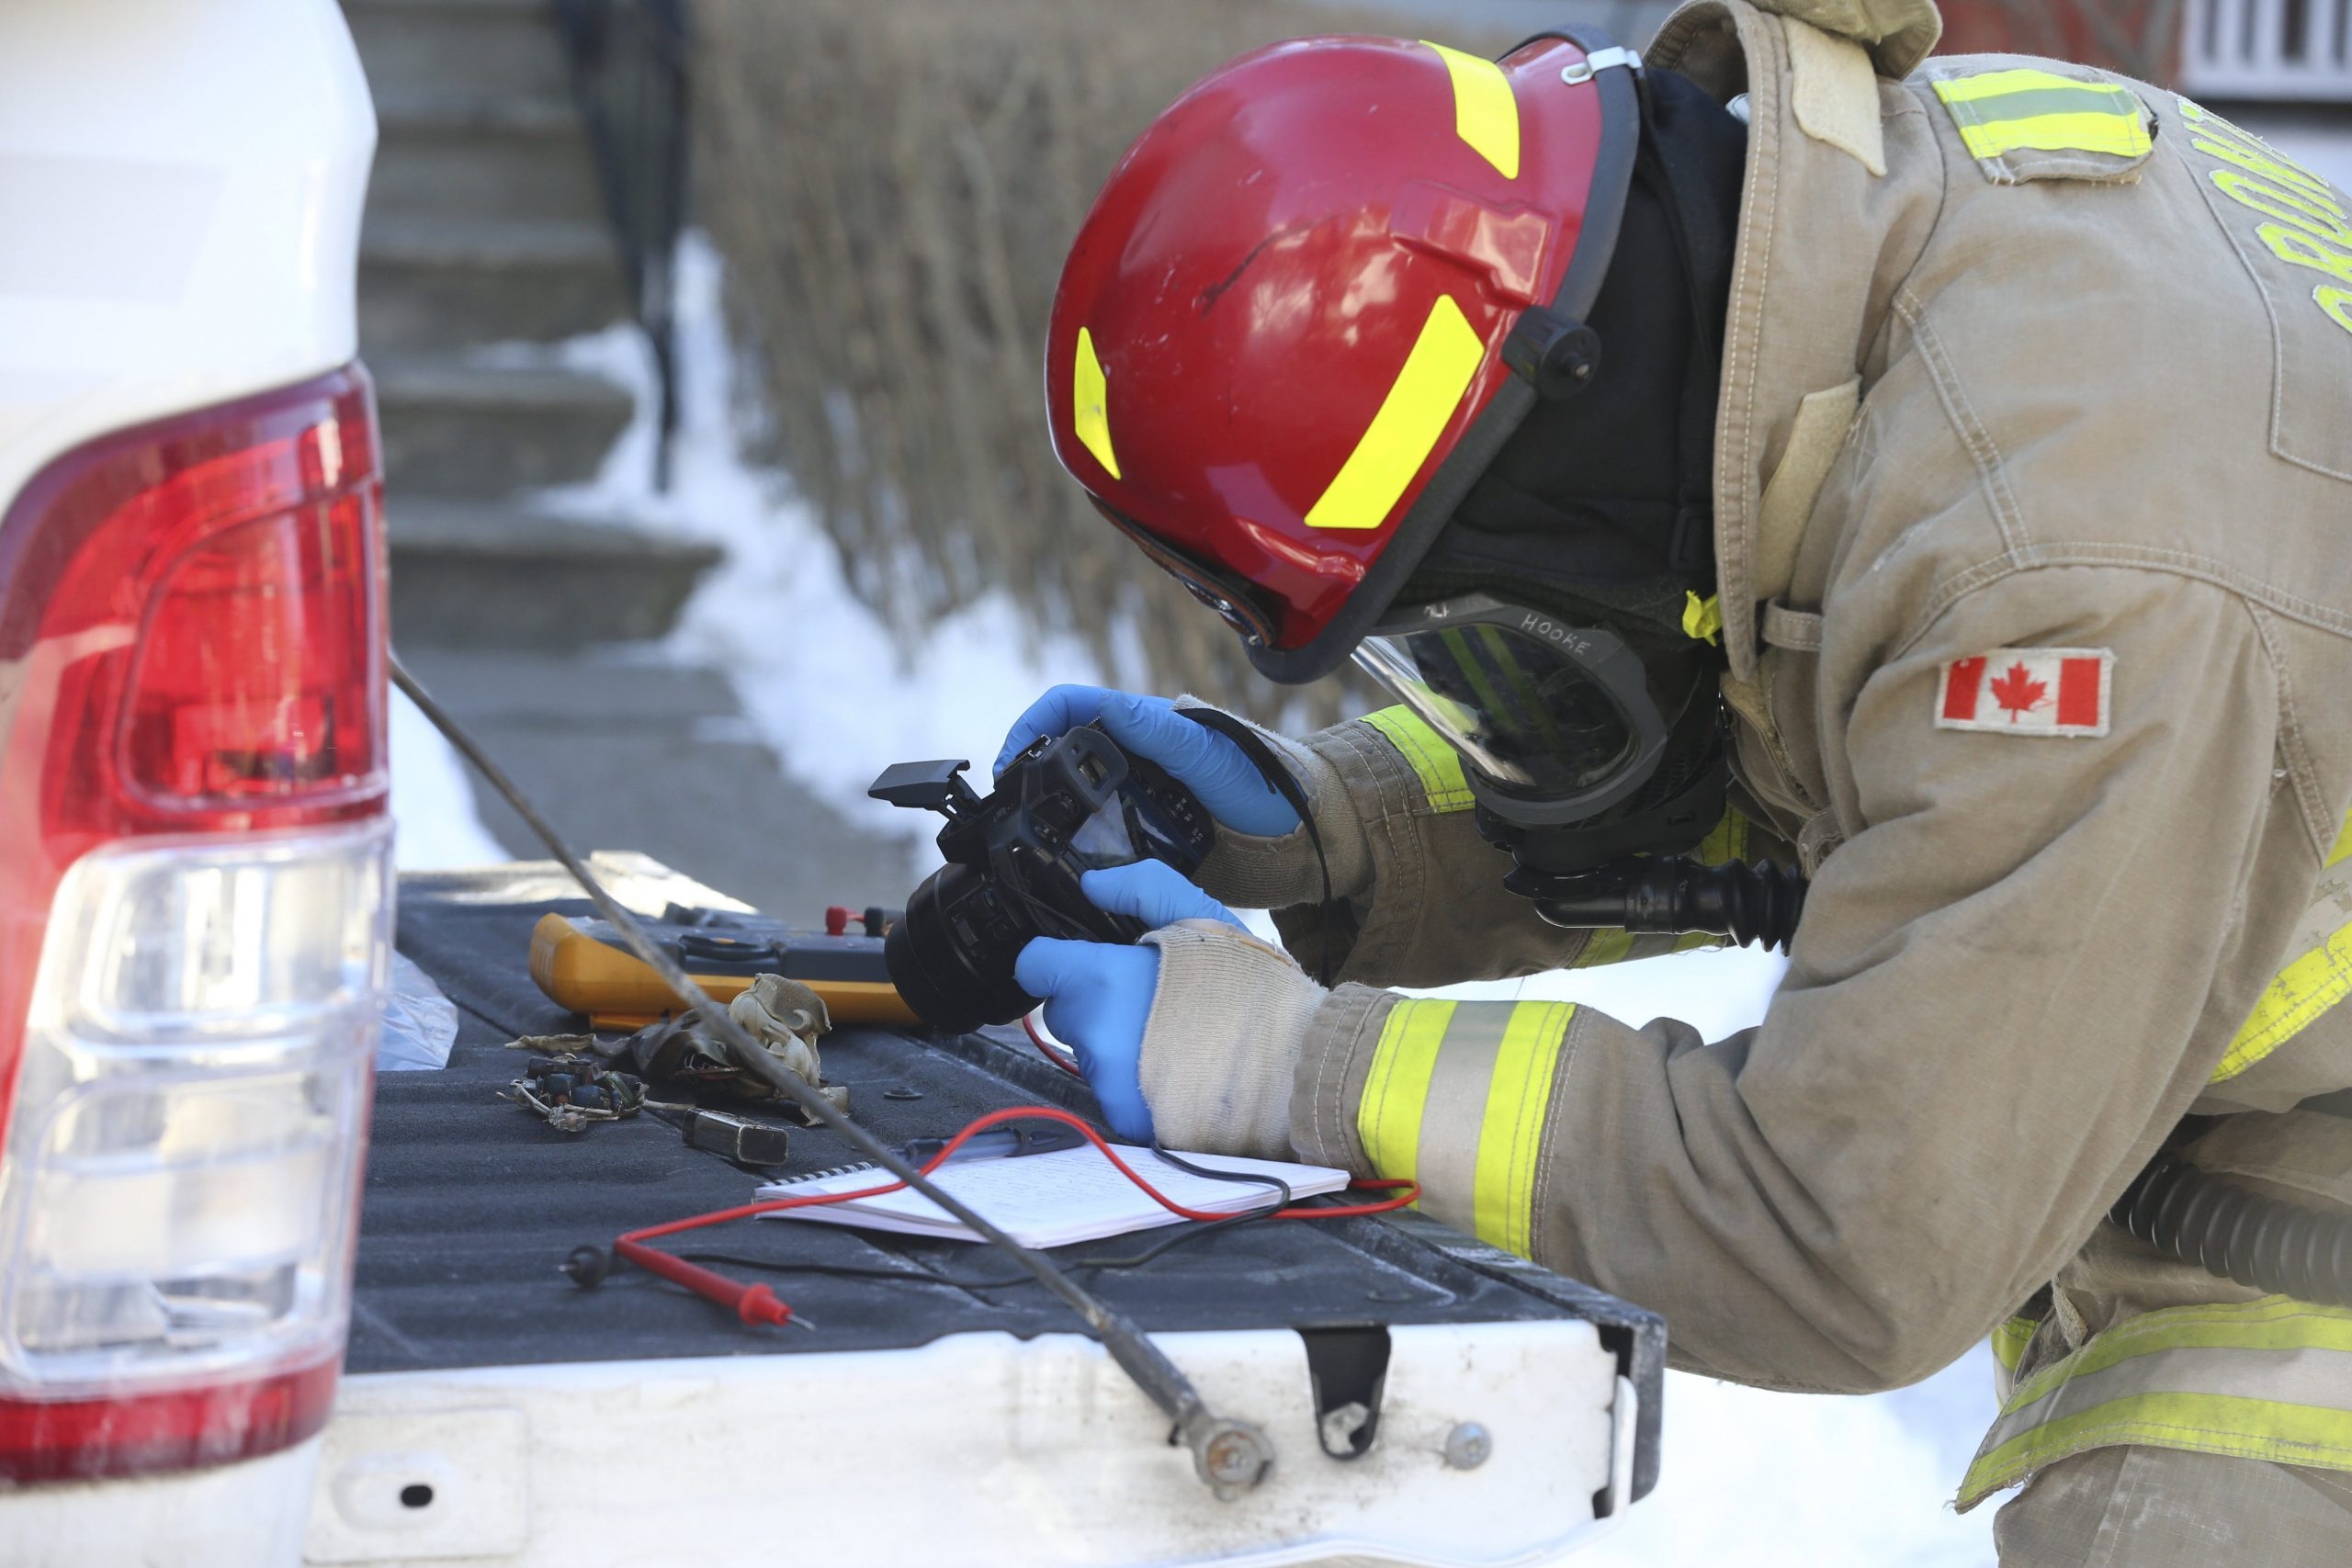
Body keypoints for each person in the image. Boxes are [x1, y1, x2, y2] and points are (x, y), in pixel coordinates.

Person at [994, 0, 2352, 1561]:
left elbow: (1842, 1231)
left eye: (1466, 633)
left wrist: (1282, 1069)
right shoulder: (1861, 254)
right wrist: (1340, 829)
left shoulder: (2068, 584)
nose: (1476, 678)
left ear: (1553, 437)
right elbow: (1807, 734)